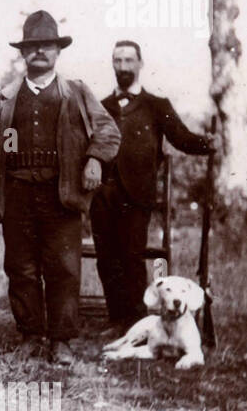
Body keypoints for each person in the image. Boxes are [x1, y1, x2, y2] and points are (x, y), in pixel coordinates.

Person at [0, 10, 120, 364]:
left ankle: (60, 340)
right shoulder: (6, 99)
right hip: (17, 194)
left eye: (47, 46)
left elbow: (108, 131)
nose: (40, 53)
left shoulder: (75, 92)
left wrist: (94, 158)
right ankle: (30, 336)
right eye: (33, 46)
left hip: (60, 196)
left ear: (57, 51)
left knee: (63, 269)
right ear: (23, 52)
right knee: (21, 268)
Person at [91, 40, 212, 332]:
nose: (123, 66)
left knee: (131, 258)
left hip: (136, 197)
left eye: (128, 60)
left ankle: (136, 322)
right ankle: (116, 319)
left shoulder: (157, 106)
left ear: (140, 64)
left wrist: (209, 143)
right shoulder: (100, 106)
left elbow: (182, 138)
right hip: (103, 196)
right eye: (117, 60)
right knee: (107, 260)